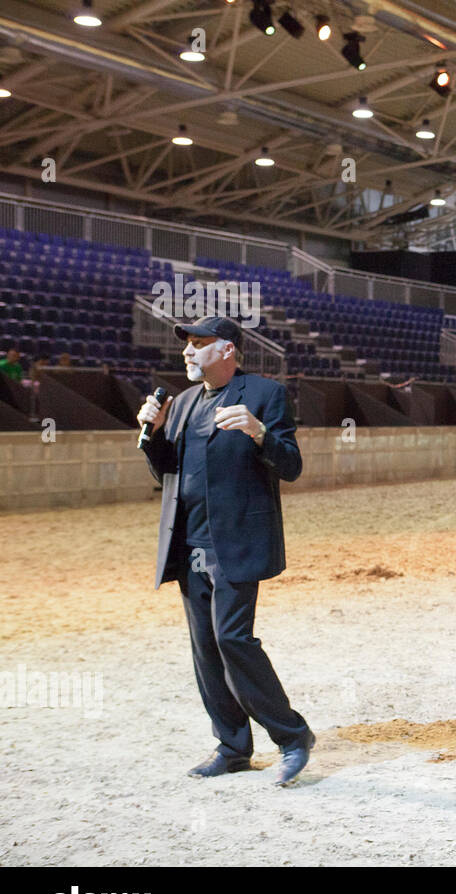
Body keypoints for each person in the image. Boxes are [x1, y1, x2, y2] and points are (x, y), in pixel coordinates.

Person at [136, 315, 314, 786]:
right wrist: (152, 438)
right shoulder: (183, 403)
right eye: (187, 345)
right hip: (187, 544)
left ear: (228, 350)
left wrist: (259, 433)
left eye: (199, 343)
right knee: (205, 650)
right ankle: (233, 747)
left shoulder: (264, 394)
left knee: (233, 639)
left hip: (235, 543)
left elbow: (291, 466)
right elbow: (170, 476)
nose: (188, 352)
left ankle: (293, 738)